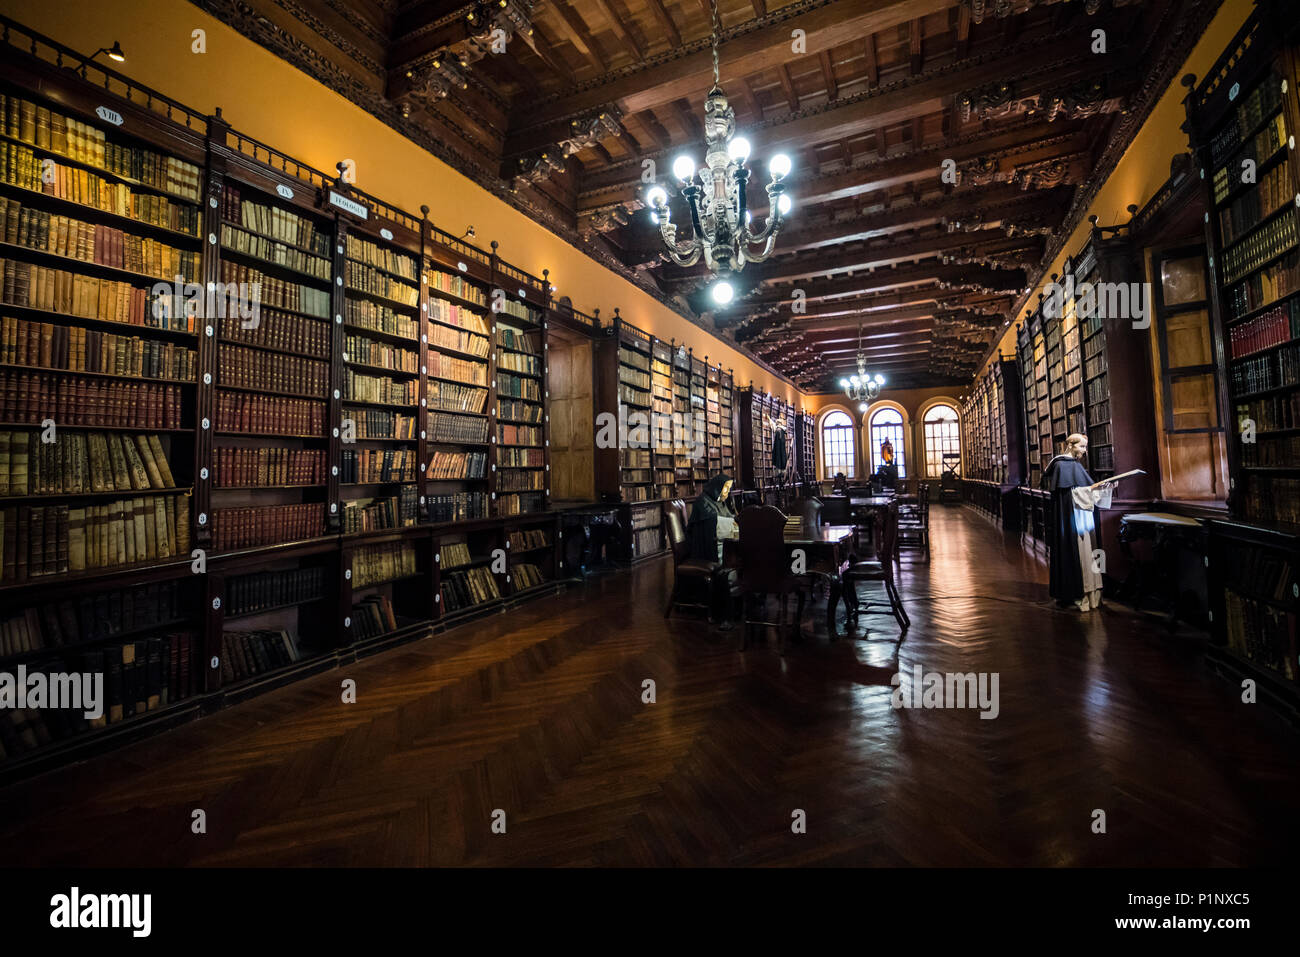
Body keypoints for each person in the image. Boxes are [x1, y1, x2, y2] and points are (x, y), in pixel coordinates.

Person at [1041, 433, 1113, 612]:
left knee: (1092, 549)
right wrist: (1093, 490)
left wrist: (1100, 488)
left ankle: (1094, 591)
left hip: (1084, 516)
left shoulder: (1074, 465)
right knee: (1081, 550)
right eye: (1081, 446)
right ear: (1071, 446)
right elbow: (1072, 495)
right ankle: (1080, 592)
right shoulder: (1061, 465)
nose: (1084, 450)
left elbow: (1081, 489)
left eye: (1085, 447)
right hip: (1074, 518)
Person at [687, 473, 739, 626]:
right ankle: (728, 610)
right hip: (705, 549)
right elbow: (713, 524)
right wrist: (735, 524)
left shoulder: (721, 502)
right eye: (725, 489)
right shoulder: (702, 502)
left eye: (729, 489)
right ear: (717, 488)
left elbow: (730, 517)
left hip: (723, 542)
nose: (727, 492)